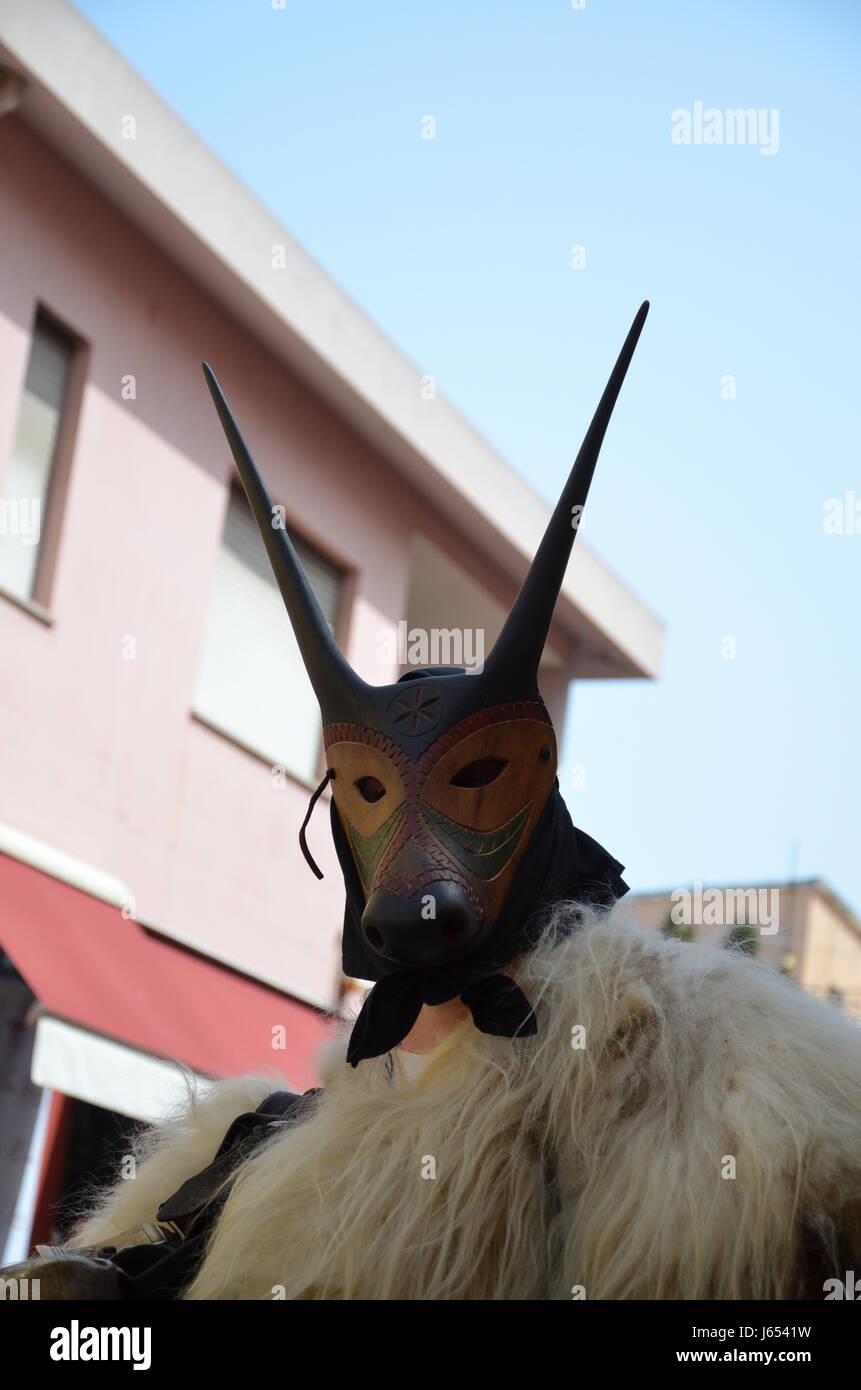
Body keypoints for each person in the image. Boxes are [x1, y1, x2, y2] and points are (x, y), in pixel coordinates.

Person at [5, 304, 860, 1299]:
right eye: (373, 790)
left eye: (473, 779)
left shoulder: (687, 1088)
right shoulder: (253, 1156)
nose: (417, 847)